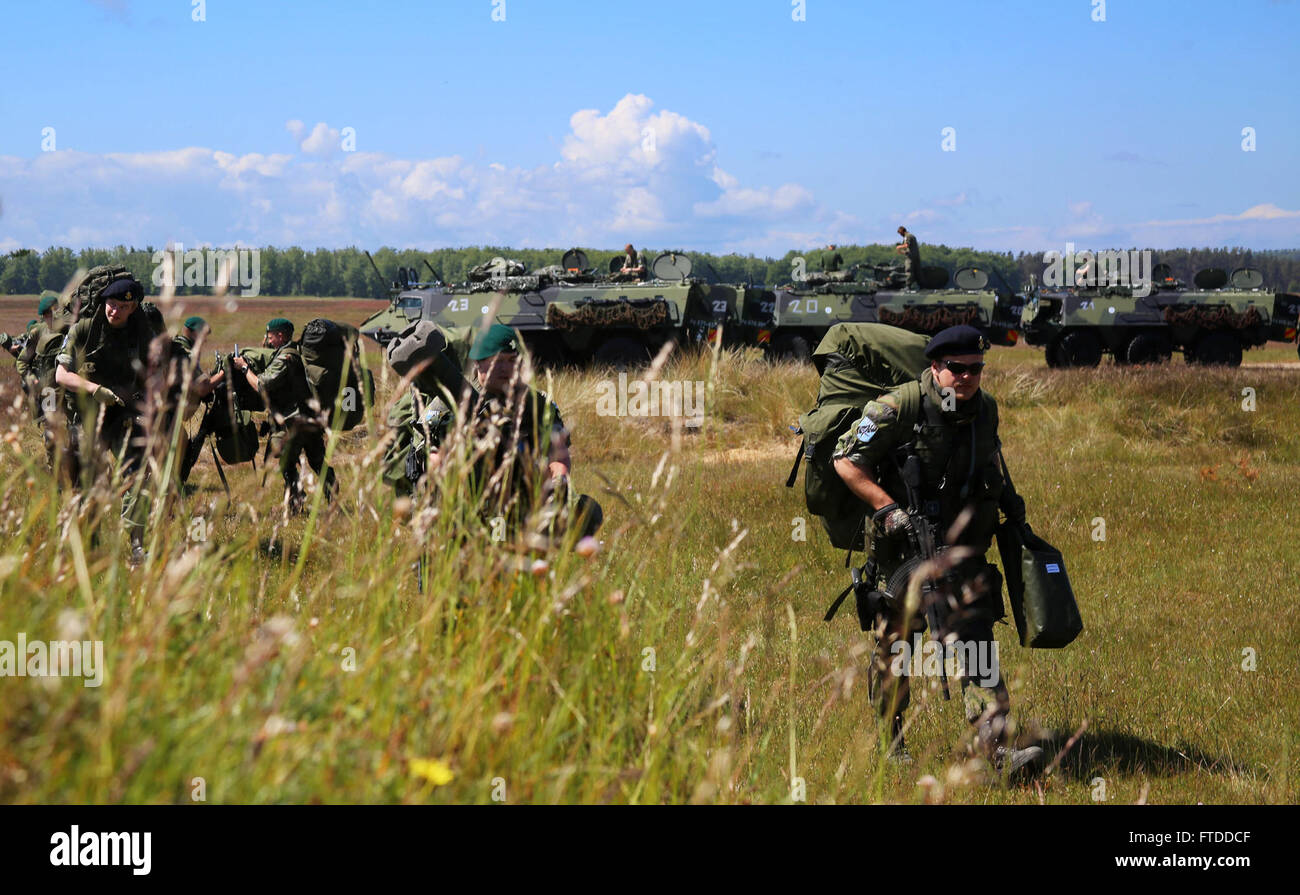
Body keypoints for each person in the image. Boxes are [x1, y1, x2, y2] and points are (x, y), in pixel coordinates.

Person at [831, 324, 1041, 775]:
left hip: (962, 547)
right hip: (902, 550)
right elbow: (845, 459)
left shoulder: (985, 410)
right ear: (935, 367)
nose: (966, 377)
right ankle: (893, 744)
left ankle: (996, 747)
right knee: (898, 647)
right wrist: (887, 509)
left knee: (976, 640)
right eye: (956, 369)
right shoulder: (898, 406)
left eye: (975, 369)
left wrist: (1009, 507)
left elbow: (989, 465)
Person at [419, 323, 601, 546]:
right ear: (478, 362)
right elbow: (428, 456)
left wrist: (559, 478)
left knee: (588, 513)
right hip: (462, 504)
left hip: (520, 503)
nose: (506, 369)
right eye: (497, 361)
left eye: (512, 361)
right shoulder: (448, 401)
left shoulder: (537, 404)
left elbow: (558, 454)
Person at [53, 276, 155, 563]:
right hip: (87, 415)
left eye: (123, 306)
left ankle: (136, 548)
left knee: (136, 477)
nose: (116, 311)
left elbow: (154, 372)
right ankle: (88, 548)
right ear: (103, 303)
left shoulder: (140, 333)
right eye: (112, 304)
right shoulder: (83, 330)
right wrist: (96, 390)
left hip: (124, 414)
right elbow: (61, 374)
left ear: (133, 307)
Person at [230, 318, 335, 513]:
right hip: (310, 417)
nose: (268, 341)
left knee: (287, 464)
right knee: (318, 461)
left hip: (294, 421)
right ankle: (334, 499)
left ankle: (294, 505)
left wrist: (244, 367)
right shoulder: (296, 351)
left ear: (280, 335)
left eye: (270, 337)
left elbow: (262, 384)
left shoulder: (285, 357)